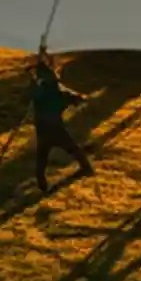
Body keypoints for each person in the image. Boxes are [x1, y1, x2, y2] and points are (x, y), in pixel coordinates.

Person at [31, 57, 93, 193]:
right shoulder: (54, 93)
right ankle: (86, 168)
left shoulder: (41, 93)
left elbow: (35, 93)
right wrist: (80, 99)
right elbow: (70, 97)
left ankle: (42, 183)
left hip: (44, 129)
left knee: (42, 158)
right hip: (55, 129)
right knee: (71, 149)